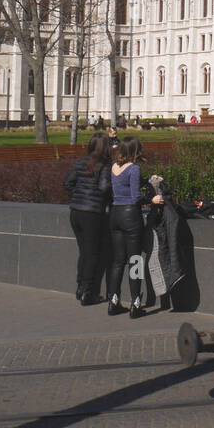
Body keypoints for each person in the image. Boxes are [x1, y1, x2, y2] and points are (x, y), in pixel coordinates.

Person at [108, 136, 162, 318]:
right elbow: (136, 197)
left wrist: (146, 181)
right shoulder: (134, 169)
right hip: (131, 216)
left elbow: (122, 189)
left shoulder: (114, 167)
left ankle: (113, 301)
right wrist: (152, 199)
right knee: (135, 261)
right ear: (135, 151)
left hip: (115, 214)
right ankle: (135, 304)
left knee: (117, 261)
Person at [64, 134, 112, 306]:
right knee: (92, 254)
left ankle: (80, 287)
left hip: (75, 212)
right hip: (92, 213)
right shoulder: (105, 165)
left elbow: (68, 183)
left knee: (83, 251)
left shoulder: (80, 162)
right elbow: (104, 188)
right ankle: (88, 293)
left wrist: (79, 195)